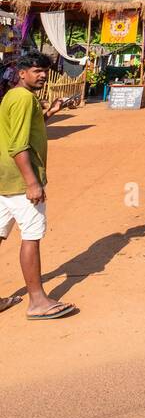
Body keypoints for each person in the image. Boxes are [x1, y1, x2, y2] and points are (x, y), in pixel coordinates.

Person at [0, 52, 76, 320]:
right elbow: (18, 144)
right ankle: (37, 301)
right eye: (36, 70)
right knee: (31, 236)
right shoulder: (23, 98)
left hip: (4, 180)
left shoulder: (13, 95)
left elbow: (23, 131)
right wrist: (32, 182)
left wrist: (51, 112)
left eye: (44, 70)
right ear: (21, 73)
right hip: (21, 181)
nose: (42, 75)